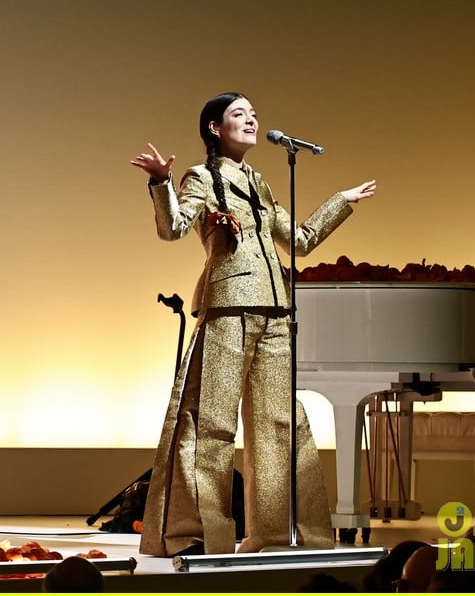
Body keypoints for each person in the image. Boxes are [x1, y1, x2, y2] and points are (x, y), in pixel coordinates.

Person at [129, 92, 375, 556]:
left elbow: (300, 241)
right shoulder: (201, 176)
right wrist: (161, 183)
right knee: (211, 426)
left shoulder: (260, 184)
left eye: (254, 114)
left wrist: (340, 201)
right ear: (214, 129)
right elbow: (173, 228)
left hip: (276, 309)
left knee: (278, 425)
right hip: (227, 306)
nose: (251, 120)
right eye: (239, 115)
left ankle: (271, 536)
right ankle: (201, 535)